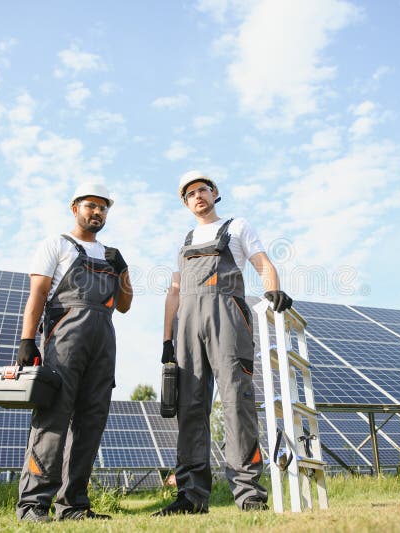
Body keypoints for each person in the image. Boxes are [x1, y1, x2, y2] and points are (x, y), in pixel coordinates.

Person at [153, 170, 293, 516]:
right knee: (189, 407)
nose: (197, 196)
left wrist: (273, 289)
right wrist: (168, 339)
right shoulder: (184, 241)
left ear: (215, 193)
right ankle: (190, 496)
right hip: (187, 324)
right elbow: (174, 291)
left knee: (236, 401)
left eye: (203, 190)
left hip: (228, 316)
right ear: (185, 203)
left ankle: (249, 494)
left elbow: (263, 264)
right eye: (190, 194)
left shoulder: (237, 226)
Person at [15, 183, 132, 522]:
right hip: (65, 338)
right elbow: (38, 294)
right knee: (53, 418)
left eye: (103, 208)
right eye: (91, 206)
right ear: (75, 208)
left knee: (91, 421)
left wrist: (122, 272)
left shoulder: (111, 255)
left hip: (103, 340)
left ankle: (73, 505)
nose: (98, 212)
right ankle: (33, 504)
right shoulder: (56, 244)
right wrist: (27, 340)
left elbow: (125, 305)